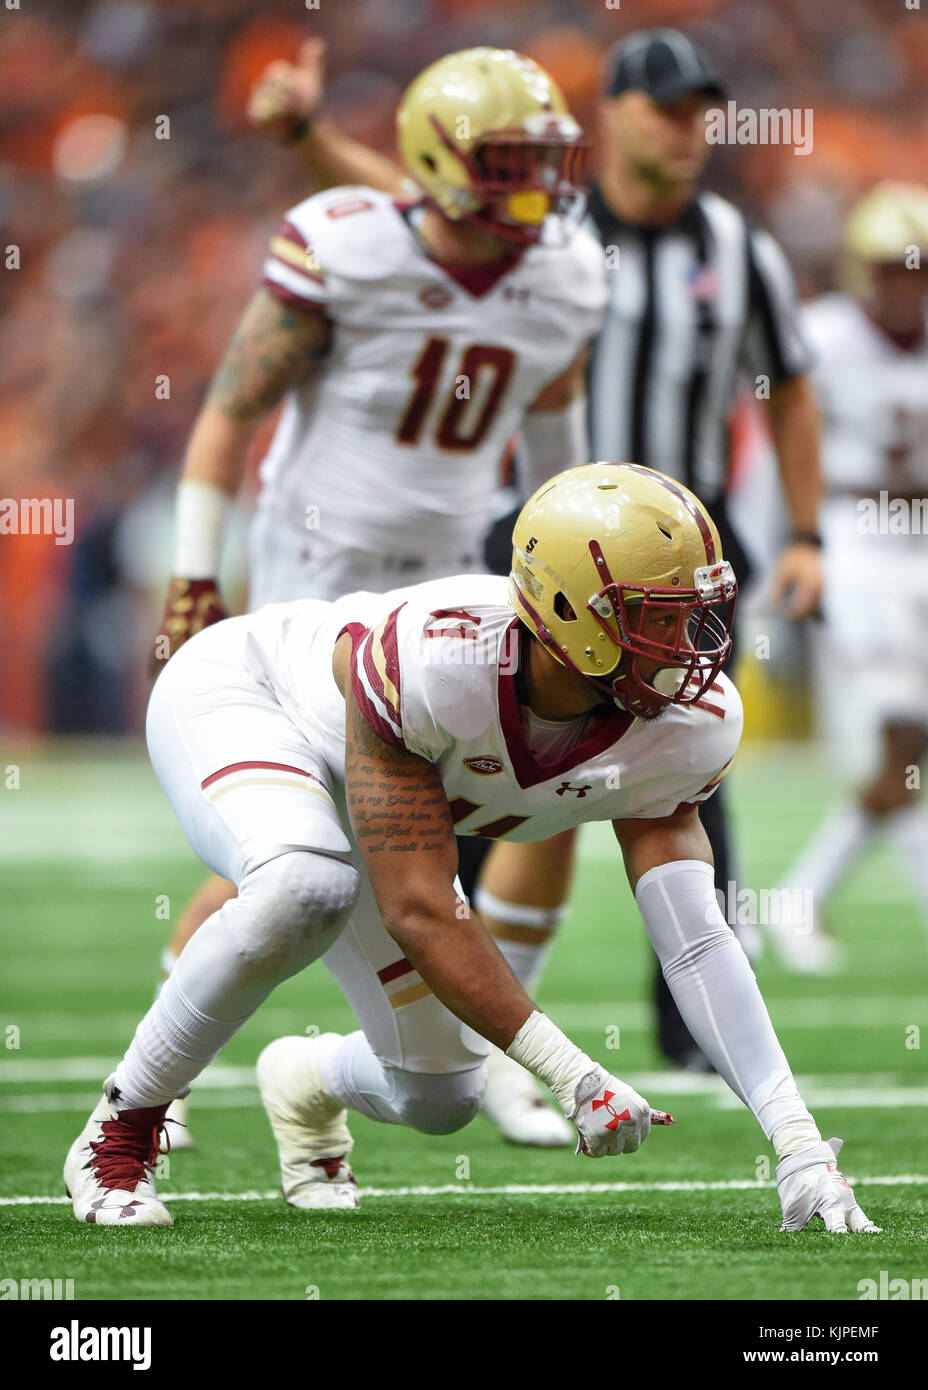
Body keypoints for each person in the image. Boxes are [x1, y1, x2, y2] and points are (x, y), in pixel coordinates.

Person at [65, 462, 879, 1237]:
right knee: (303, 884)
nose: (689, 644)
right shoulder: (440, 662)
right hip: (253, 699)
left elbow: (698, 942)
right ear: (567, 613)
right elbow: (422, 907)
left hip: (371, 791)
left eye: (693, 611)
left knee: (440, 1094)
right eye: (654, 617)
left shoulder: (688, 726)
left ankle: (302, 1080)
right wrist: (575, 1076)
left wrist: (798, 1144)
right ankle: (117, 1133)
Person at [241, 29, 826, 1072]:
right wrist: (312, 140)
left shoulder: (740, 248)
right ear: (611, 118)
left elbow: (791, 384)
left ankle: (689, 1030)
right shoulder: (553, 229)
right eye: (666, 109)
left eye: (701, 112)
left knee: (684, 769)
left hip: (688, 553)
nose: (687, 130)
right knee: (466, 768)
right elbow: (428, 209)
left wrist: (810, 531)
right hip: (548, 552)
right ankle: (457, 1033)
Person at [154, 46, 606, 1149]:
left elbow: (555, 462)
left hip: (450, 591)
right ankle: (158, 1071)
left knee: (521, 808)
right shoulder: (344, 248)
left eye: (540, 163)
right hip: (315, 582)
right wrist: (193, 568)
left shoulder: (563, 276)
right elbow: (227, 412)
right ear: (438, 161)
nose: (530, 190)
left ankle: (477, 1055)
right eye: (504, 163)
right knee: (305, 857)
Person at [769, 182, 928, 972]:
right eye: (895, 267)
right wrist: (786, 548)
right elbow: (781, 442)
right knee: (904, 733)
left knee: (910, 747)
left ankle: (799, 901)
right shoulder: (824, 336)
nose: (908, 283)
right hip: (857, 536)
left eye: (920, 268)